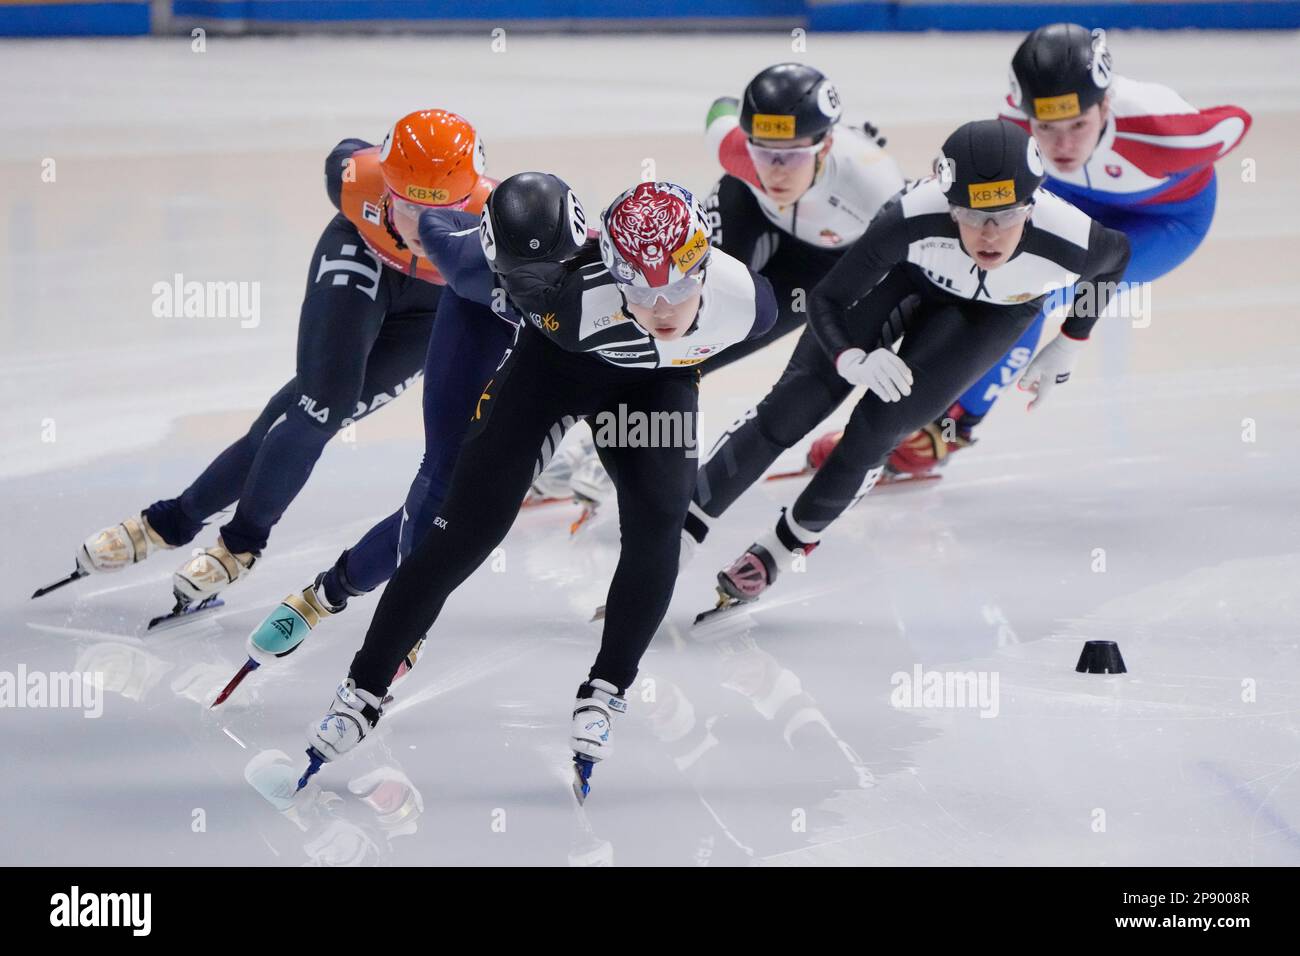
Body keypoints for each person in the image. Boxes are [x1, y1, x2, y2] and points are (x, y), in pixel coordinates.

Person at [295, 176, 778, 801]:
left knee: (660, 521)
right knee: (463, 528)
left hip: (655, 389)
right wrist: (428, 220)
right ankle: (363, 687)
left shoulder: (749, 304)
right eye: (640, 288)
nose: (663, 307)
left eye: (681, 286)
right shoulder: (565, 297)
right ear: (612, 273)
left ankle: (608, 688)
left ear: (707, 268)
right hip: (554, 371)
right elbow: (470, 256)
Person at [47, 110, 494, 625]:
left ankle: (170, 521)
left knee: (296, 415)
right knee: (320, 407)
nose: (422, 228)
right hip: (361, 258)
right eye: (407, 206)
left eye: (442, 212)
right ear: (384, 183)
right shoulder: (351, 177)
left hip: (433, 308)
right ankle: (237, 544)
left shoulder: (498, 216)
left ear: (471, 197)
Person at [683, 119, 1131, 611]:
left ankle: (780, 551)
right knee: (798, 401)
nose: (987, 234)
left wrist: (1071, 340)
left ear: (1031, 205)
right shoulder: (911, 216)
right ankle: (684, 524)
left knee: (882, 427)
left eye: (1004, 215)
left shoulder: (1070, 238)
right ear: (948, 203)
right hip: (905, 277)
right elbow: (828, 299)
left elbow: (1118, 259)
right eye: (969, 214)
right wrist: (848, 356)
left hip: (992, 313)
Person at [871, 25, 1252, 478]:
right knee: (977, 279)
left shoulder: (1165, 136)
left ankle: (952, 429)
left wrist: (1071, 340)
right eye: (1047, 128)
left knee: (1032, 293)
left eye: (1078, 126)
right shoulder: (1010, 122)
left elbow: (1238, 119)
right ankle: (906, 409)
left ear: (1106, 105)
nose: (1064, 145)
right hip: (1079, 204)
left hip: (1166, 221)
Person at [528, 63, 905, 514]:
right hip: (745, 206)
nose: (775, 172)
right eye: (763, 152)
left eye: (792, 157)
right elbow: (720, 110)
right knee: (664, 310)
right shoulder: (737, 153)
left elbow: (908, 271)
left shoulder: (875, 188)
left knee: (710, 346)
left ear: (825, 145)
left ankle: (610, 444)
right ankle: (576, 440)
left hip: (822, 262)